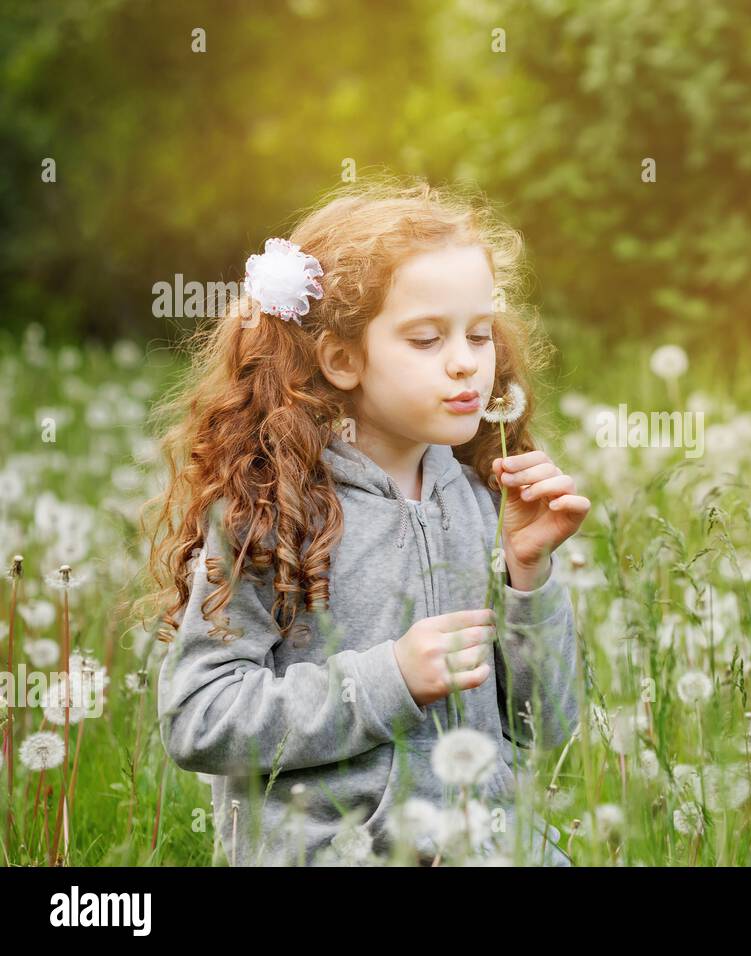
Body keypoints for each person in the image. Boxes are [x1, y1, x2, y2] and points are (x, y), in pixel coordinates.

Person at [143, 177, 590, 866]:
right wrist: (389, 680)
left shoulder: (480, 497)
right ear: (342, 360)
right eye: (425, 339)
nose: (467, 361)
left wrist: (528, 575)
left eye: (480, 333)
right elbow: (198, 718)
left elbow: (548, 724)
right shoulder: (273, 509)